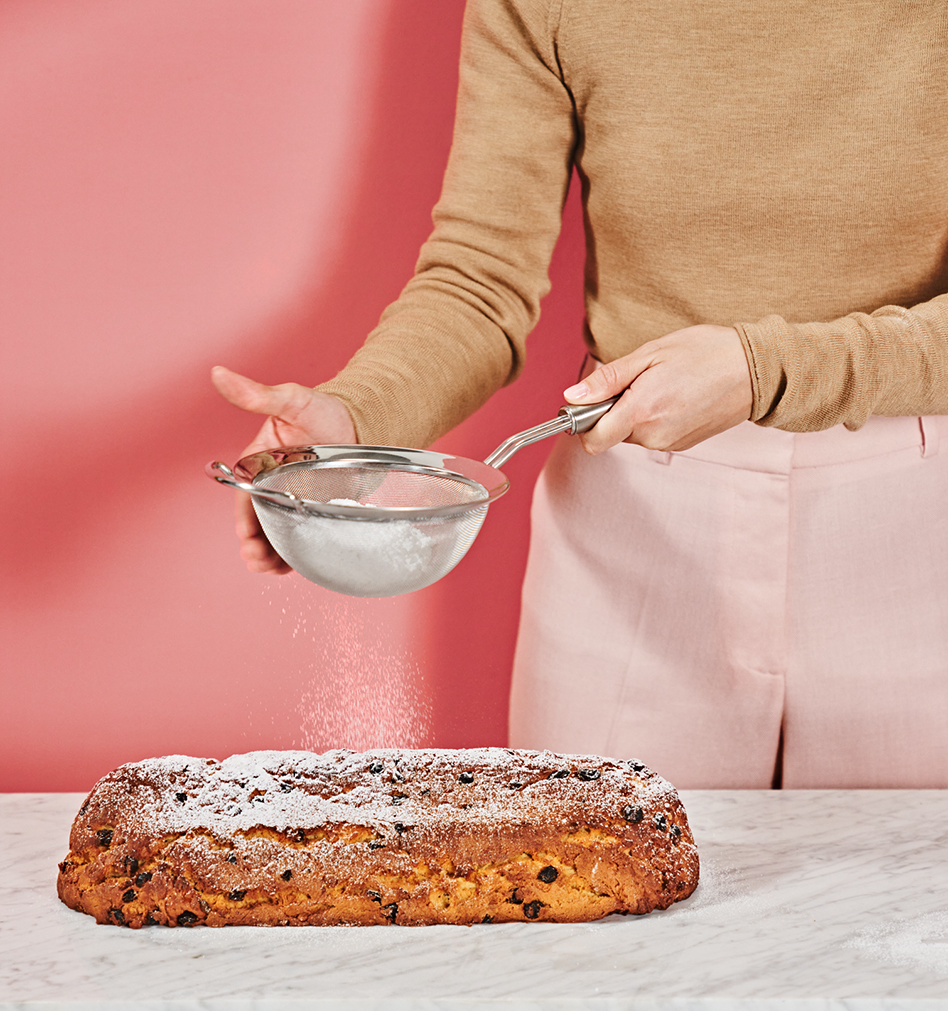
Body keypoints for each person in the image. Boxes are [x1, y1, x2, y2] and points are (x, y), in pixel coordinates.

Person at [213, 0, 948, 789]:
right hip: (632, 528)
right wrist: (357, 416)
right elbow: (479, 280)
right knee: (584, 861)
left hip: (915, 529)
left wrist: (763, 369)